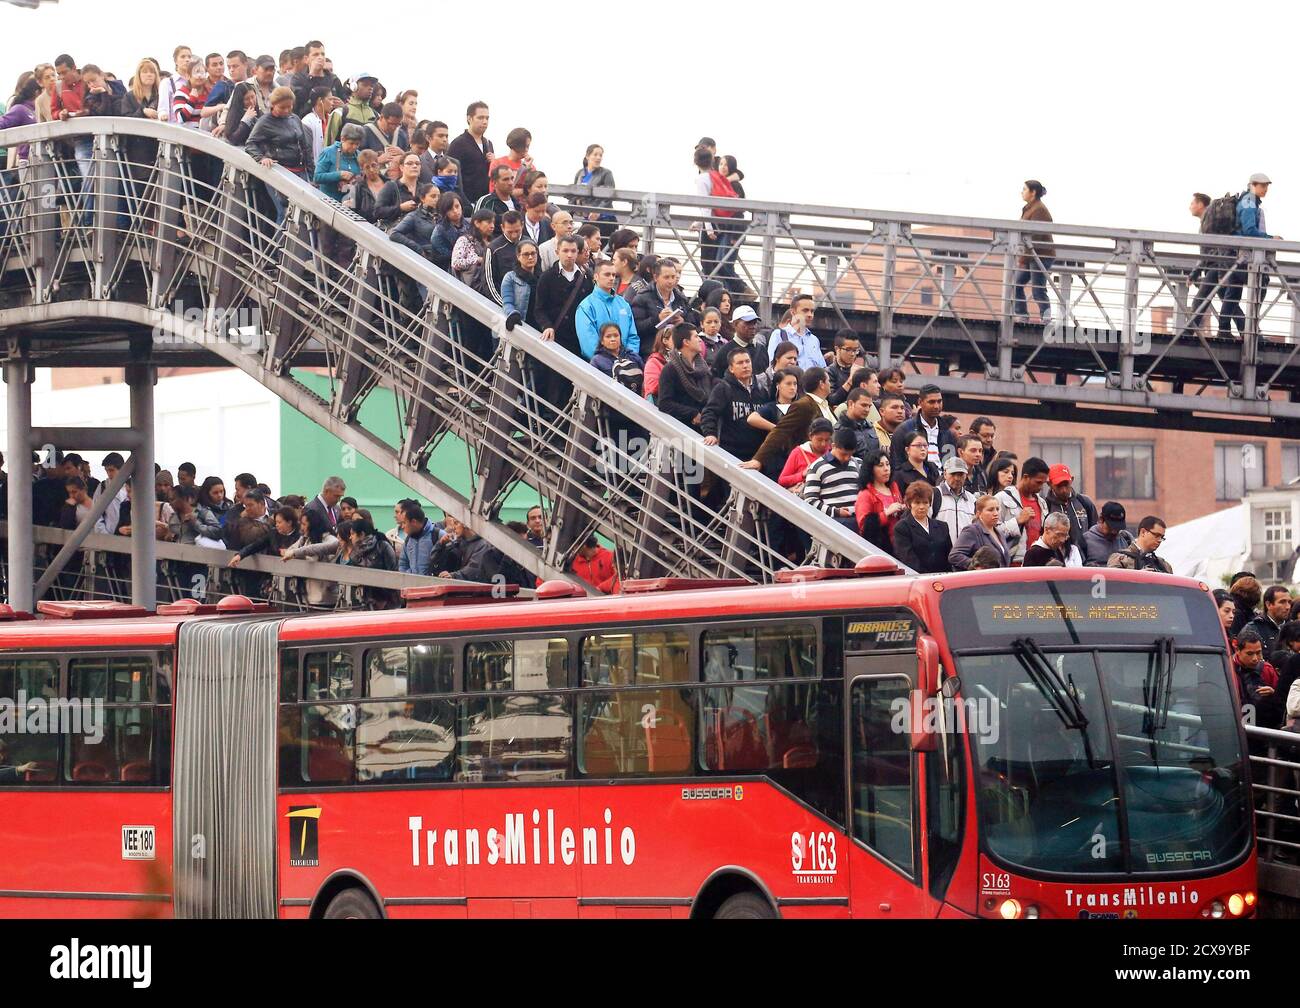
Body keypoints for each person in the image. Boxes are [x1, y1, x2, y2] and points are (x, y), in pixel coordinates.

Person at [746, 368, 834, 480]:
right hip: (807, 464)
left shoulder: (826, 405)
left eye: (795, 384)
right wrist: (758, 459)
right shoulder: (803, 405)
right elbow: (780, 431)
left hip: (827, 461)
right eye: (788, 384)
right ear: (821, 384)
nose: (793, 387)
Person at [245, 87, 312, 221]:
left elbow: (305, 146)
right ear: (273, 105)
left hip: (300, 171)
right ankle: (279, 242)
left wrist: (311, 171)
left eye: (289, 107)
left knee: (302, 212)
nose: (287, 111)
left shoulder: (294, 118)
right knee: (285, 212)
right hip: (280, 171)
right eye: (282, 107)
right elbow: (250, 144)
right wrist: (261, 158)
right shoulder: (265, 121)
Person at [656, 324, 714, 433]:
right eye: (696, 337)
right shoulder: (670, 369)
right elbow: (664, 403)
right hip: (683, 430)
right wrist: (692, 413)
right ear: (686, 342)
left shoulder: (703, 367)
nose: (700, 340)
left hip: (706, 427)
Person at [802, 428, 863, 530]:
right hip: (836, 522)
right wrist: (835, 511)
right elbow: (810, 500)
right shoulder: (817, 467)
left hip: (860, 518)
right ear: (833, 446)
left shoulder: (858, 463)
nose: (847, 458)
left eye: (850, 454)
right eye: (843, 454)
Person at [1013, 179, 1055, 323]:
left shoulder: (1039, 210)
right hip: (1032, 255)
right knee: (1016, 284)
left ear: (1033, 192)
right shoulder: (1030, 208)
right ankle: (1022, 315)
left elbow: (1035, 238)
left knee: (1038, 290)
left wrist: (1023, 259)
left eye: (1025, 189)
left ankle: (1046, 318)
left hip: (1041, 255)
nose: (1022, 192)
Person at [280, 508, 340, 608]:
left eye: (304, 524)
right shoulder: (304, 539)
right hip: (308, 595)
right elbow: (290, 550)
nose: (301, 528)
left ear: (313, 525)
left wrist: (296, 554)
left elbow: (314, 555)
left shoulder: (330, 540)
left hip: (325, 595)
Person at [577, 261, 638, 358]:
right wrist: (608, 362)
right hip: (599, 367)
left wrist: (629, 359)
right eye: (607, 274)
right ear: (596, 277)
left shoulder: (623, 303)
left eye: (614, 275)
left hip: (626, 365)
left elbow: (633, 337)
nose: (611, 278)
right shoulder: (586, 306)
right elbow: (588, 344)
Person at [995, 456, 1050, 564]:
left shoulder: (1042, 503)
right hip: (1013, 563)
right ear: (1026, 477)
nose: (1041, 487)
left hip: (1038, 563)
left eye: (1043, 483)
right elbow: (990, 533)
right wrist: (1017, 521)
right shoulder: (1001, 498)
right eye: (1038, 482)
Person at [890, 384, 956, 475]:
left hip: (942, 484)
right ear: (920, 402)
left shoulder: (947, 432)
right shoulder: (904, 430)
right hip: (915, 484)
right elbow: (897, 465)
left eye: (939, 401)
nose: (936, 406)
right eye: (931, 402)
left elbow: (950, 464)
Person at [892, 481, 952, 573]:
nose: (922, 507)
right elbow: (908, 559)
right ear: (909, 504)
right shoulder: (902, 528)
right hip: (917, 579)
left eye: (925, 502)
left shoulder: (942, 526)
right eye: (917, 503)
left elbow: (948, 556)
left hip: (943, 577)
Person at [631, 259, 692, 350]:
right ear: (656, 277)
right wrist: (658, 319)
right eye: (666, 277)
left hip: (678, 350)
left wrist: (682, 322)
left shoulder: (681, 298)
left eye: (673, 277)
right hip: (651, 350)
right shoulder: (642, 298)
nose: (671, 281)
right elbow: (636, 328)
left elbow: (693, 323)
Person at [855, 449, 904, 554]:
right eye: (880, 465)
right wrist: (887, 513)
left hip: (900, 543)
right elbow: (864, 526)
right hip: (880, 547)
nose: (886, 469)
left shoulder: (894, 486)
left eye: (887, 464)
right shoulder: (865, 494)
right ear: (870, 469)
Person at [447, 101, 494, 205]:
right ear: (469, 118)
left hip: (486, 203)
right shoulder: (458, 144)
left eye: (487, 118)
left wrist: (494, 163)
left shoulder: (488, 144)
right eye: (480, 118)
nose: (485, 121)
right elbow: (451, 177)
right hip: (466, 204)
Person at [1234, 628, 1282, 729]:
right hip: (1237, 725)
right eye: (1250, 654)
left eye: (1258, 652)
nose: (1255, 658)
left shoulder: (1267, 669)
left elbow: (1281, 700)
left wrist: (1273, 693)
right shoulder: (1229, 670)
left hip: (1265, 726)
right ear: (1238, 650)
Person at [1043, 463, 1097, 551]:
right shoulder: (1045, 506)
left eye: (1066, 484)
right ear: (1049, 484)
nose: (1064, 490)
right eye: (1059, 486)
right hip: (1057, 560)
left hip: (1085, 559)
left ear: (1072, 480)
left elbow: (1094, 532)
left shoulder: (1085, 502)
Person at [950, 494, 1011, 569]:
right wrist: (975, 565)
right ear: (979, 513)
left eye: (997, 509)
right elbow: (954, 556)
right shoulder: (972, 530)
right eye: (990, 510)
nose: (995, 513)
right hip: (981, 579)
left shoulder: (1000, 533)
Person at [767, 294, 823, 371]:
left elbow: (821, 367)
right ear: (793, 312)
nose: (810, 315)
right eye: (805, 310)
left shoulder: (814, 340)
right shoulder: (779, 335)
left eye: (812, 311)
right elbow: (772, 365)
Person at [710, 305, 769, 377]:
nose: (753, 326)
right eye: (748, 323)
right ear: (734, 324)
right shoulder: (725, 352)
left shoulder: (762, 349)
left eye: (754, 322)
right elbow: (716, 379)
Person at [779, 419, 834, 493]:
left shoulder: (833, 453)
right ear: (810, 436)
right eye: (819, 440)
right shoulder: (798, 452)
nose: (823, 444)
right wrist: (802, 475)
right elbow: (782, 480)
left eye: (827, 440)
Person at [590, 322, 645, 395]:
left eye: (616, 335)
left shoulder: (633, 356)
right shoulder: (597, 361)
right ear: (602, 341)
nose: (613, 339)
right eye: (608, 336)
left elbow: (645, 379)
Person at [932, 456, 977, 543]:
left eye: (960, 474)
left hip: (964, 552)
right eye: (953, 474)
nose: (957, 478)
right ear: (945, 474)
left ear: (966, 475)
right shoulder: (934, 494)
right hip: (940, 552)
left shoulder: (972, 499)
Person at [1106, 515, 1173, 573]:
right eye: (1156, 535)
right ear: (1143, 532)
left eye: (1162, 537)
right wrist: (1138, 576)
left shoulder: (1165, 566)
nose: (1159, 540)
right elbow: (1113, 584)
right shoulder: (1119, 559)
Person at [573, 143, 616, 231]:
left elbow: (610, 196)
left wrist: (597, 211)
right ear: (587, 156)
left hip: (605, 219)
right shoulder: (580, 173)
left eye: (600, 155)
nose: (598, 158)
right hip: (587, 218)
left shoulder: (606, 173)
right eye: (595, 154)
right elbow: (573, 193)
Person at [502, 239, 541, 325]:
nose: (530, 257)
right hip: (521, 324)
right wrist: (513, 314)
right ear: (518, 256)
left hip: (541, 327)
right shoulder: (510, 278)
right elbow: (507, 303)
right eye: (526, 254)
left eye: (533, 253)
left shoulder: (543, 276)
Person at [1081, 501, 1134, 566]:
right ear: (1100, 520)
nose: (1114, 532)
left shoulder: (1126, 539)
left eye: (1118, 528)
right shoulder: (1085, 541)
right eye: (1110, 527)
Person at [1245, 585, 1293, 656]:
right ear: (1268, 604)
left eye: (1289, 602)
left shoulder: (1294, 628)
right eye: (1282, 602)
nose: (1288, 607)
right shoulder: (1254, 629)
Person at [835, 388, 880, 461]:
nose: (867, 409)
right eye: (864, 405)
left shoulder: (870, 427)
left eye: (869, 406)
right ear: (851, 404)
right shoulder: (839, 430)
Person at [397, 504, 440, 575]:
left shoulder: (438, 535)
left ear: (414, 522)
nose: (402, 526)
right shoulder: (408, 540)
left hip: (434, 584)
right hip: (412, 584)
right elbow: (403, 564)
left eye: (404, 523)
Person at [894, 432, 940, 498]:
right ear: (907, 450)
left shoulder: (932, 468)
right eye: (918, 446)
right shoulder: (900, 473)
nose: (923, 449)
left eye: (925, 445)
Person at [826, 330, 865, 407]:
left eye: (855, 350)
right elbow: (832, 400)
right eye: (848, 350)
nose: (852, 354)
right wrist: (851, 379)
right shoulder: (829, 372)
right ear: (837, 349)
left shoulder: (860, 371)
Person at [642, 328, 672, 401]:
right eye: (675, 338)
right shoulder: (653, 362)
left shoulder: (682, 359)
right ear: (665, 341)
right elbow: (653, 388)